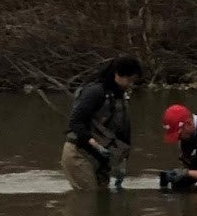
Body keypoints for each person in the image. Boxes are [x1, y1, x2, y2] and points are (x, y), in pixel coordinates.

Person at [61, 55, 144, 191]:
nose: (131, 84)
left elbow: (123, 132)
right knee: (88, 198)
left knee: (103, 198)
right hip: (79, 153)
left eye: (133, 81)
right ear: (117, 74)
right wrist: (94, 144)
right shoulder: (95, 92)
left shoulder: (120, 96)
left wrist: (122, 162)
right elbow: (75, 122)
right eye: (129, 80)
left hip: (102, 159)